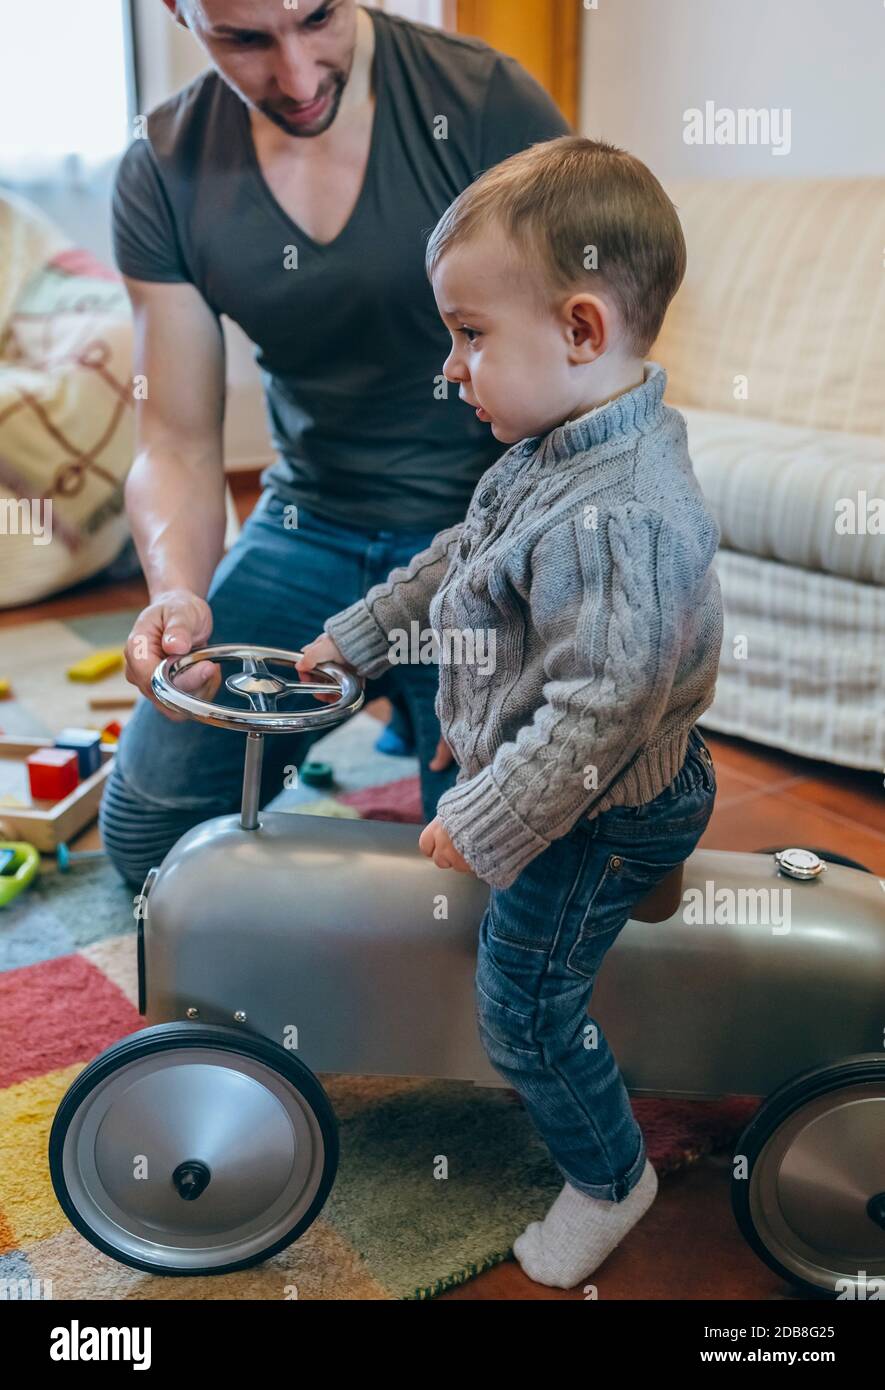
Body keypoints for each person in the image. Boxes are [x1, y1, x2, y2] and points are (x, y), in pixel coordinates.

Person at [298, 136, 724, 1288]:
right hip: (567, 769)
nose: (451, 368)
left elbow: (600, 714)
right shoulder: (548, 452)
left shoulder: (625, 516)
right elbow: (456, 557)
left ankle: (609, 1175)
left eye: (470, 335)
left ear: (582, 331)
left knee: (523, 1008)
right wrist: (356, 638)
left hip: (608, 808)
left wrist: (488, 814)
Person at [99, 0, 569, 884]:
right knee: (149, 849)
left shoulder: (483, 105)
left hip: (481, 537)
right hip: (306, 523)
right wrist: (177, 599)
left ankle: (405, 698)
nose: (301, 76)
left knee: (485, 874)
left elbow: (588, 378)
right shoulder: (163, 167)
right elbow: (177, 442)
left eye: (317, 17)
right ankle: (395, 696)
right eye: (244, 38)